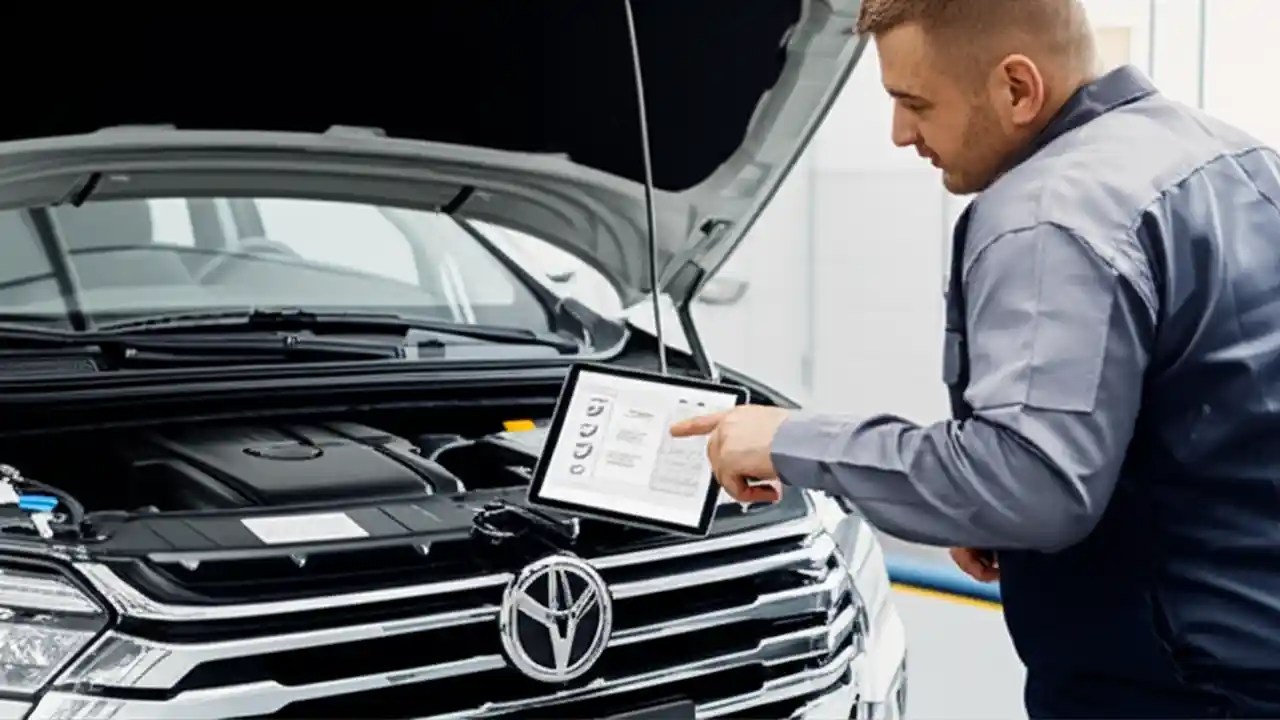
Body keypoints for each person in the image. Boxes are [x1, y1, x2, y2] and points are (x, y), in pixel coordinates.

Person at [669, 0, 1280, 717]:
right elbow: (1210, 410)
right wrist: (988, 510)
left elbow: (1033, 483)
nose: (900, 134)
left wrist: (787, 440)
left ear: (1017, 88)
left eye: (913, 102)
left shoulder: (1048, 212)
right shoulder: (1236, 160)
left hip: (1177, 689)